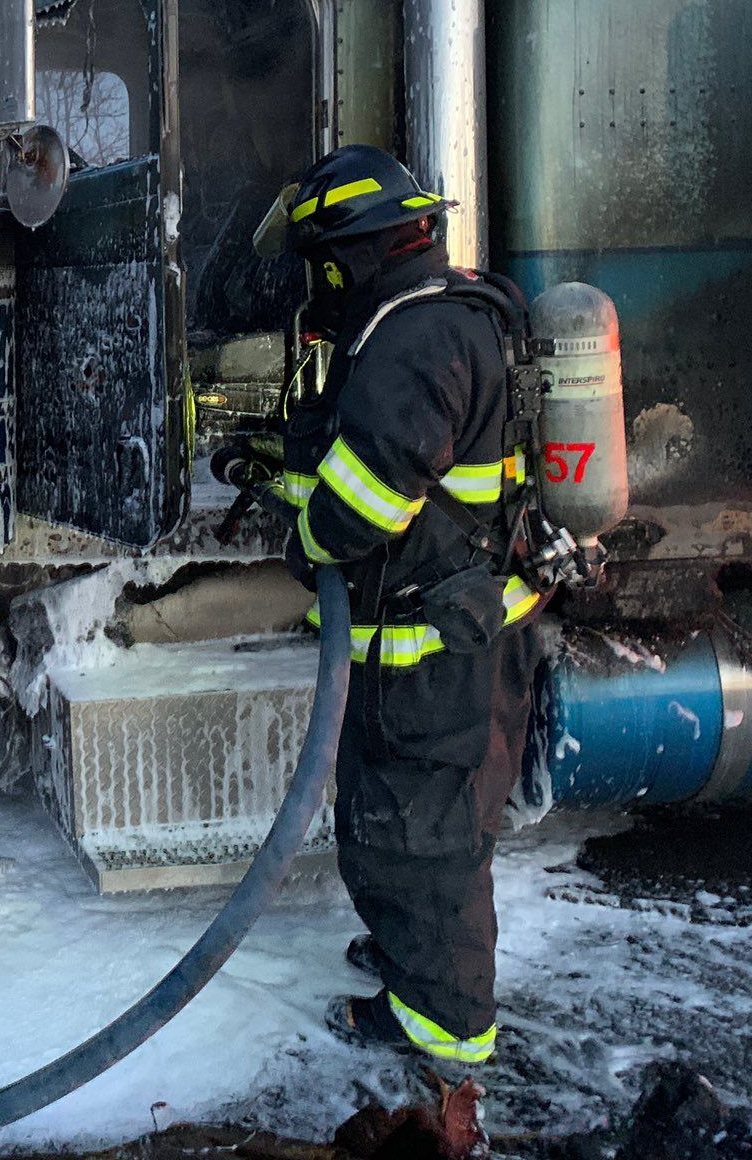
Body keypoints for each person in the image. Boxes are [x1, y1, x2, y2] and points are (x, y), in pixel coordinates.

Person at [249, 145, 543, 1068]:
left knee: (421, 836)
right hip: (470, 634)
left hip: (429, 652)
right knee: (422, 822)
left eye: (320, 267)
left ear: (349, 257)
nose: (317, 287)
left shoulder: (412, 340)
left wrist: (306, 538)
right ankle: (416, 961)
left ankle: (445, 1024)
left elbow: (366, 504)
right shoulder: (455, 312)